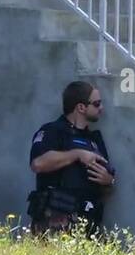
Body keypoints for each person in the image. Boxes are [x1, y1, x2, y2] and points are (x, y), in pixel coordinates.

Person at [27, 81, 116, 235]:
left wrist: (108, 180)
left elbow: (105, 184)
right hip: (56, 220)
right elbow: (38, 164)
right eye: (96, 104)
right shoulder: (53, 131)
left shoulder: (94, 140)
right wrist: (77, 154)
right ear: (81, 107)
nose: (101, 109)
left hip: (88, 222)